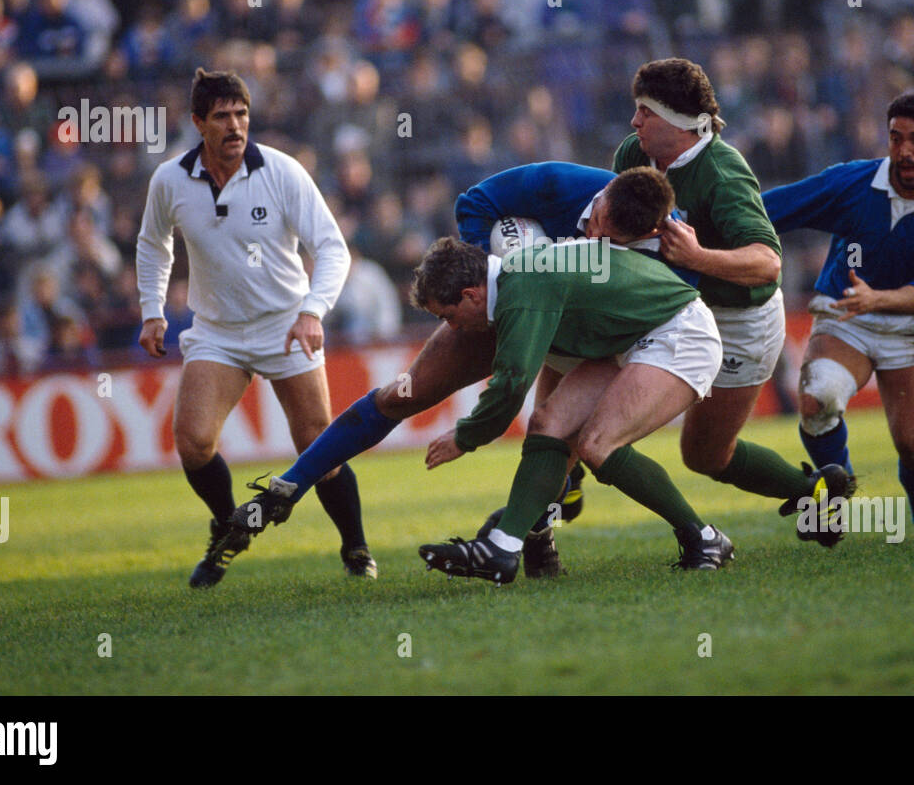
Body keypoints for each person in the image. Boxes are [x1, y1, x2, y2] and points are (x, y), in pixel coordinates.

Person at [202, 165, 714, 578]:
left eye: (614, 236)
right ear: (600, 197)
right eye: (599, 219)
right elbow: (476, 201)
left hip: (584, 327)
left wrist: (465, 436)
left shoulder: (670, 238)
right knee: (411, 395)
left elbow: (515, 381)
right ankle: (288, 488)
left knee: (567, 441)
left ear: (648, 232)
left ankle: (534, 536)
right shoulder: (570, 186)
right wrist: (477, 261)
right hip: (502, 298)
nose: (601, 233)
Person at [136, 68, 369, 587]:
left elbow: (332, 247)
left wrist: (313, 310)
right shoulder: (170, 180)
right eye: (221, 116)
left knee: (320, 449)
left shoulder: (282, 171)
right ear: (198, 123)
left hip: (286, 325)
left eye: (241, 114)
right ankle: (228, 529)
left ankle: (355, 549)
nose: (235, 125)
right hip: (216, 332)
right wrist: (152, 308)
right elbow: (154, 243)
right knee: (193, 442)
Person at [412, 231, 735, 583]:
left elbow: (512, 384)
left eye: (448, 315)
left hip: (680, 331)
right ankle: (502, 548)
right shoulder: (519, 276)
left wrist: (464, 437)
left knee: (597, 445)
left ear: (470, 295)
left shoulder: (520, 288)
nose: (453, 328)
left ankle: (705, 539)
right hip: (632, 337)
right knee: (547, 425)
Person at [611, 58, 845, 543]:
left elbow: (767, 262)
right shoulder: (633, 154)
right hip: (675, 310)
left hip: (740, 322)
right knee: (590, 404)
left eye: (644, 112)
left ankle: (814, 493)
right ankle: (552, 496)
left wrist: (698, 257)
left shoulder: (723, 172)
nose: (634, 122)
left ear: (677, 121)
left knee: (704, 456)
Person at [762, 90, 914, 538]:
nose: (904, 150)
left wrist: (878, 299)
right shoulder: (853, 183)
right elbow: (777, 208)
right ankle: (833, 497)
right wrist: (705, 223)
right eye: (896, 137)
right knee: (818, 398)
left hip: (912, 325)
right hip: (847, 315)